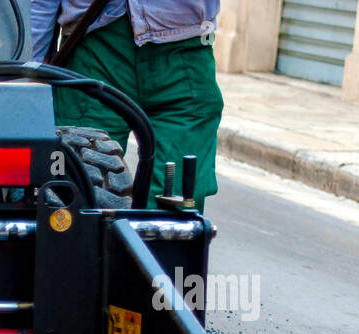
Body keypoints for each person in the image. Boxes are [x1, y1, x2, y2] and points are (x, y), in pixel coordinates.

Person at [31, 0, 222, 210]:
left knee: (176, 205)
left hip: (184, 50)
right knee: (78, 200)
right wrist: (28, 76)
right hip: (93, 49)